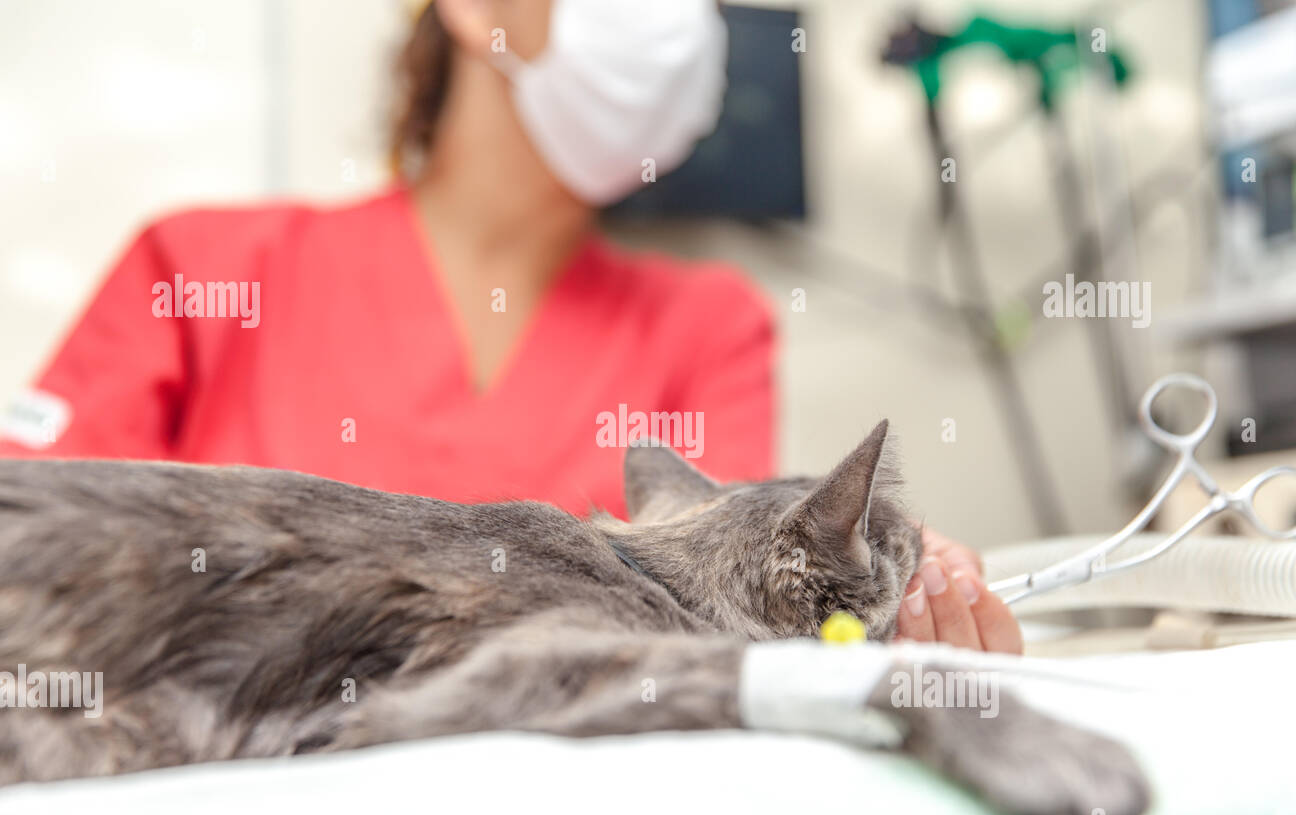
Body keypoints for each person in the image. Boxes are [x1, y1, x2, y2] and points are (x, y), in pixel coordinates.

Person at [0, 0, 1019, 653]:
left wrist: (891, 609)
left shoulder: (709, 326)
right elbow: (25, 560)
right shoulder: (202, 271)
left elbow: (729, 630)